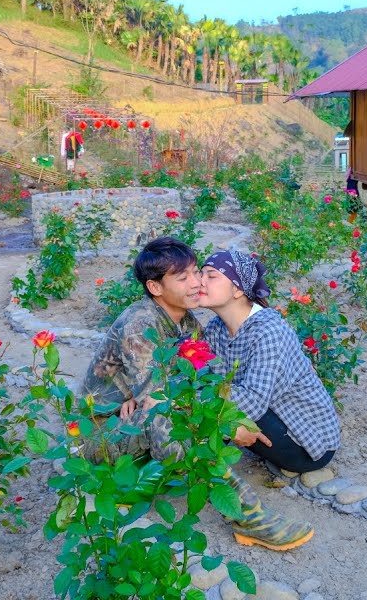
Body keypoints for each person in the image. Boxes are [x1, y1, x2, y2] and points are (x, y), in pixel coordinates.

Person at [80, 236, 315, 551]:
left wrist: (230, 417)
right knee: (161, 415)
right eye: (183, 277)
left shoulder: (188, 324)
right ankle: (249, 516)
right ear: (155, 288)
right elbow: (160, 399)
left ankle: (214, 493)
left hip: (130, 420)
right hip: (97, 432)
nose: (196, 283)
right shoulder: (141, 322)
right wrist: (230, 425)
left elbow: (204, 382)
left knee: (184, 410)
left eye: (196, 272)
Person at [199, 248, 340, 474]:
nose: (200, 281)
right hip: (271, 417)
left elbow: (253, 402)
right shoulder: (217, 328)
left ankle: (207, 466)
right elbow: (210, 380)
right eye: (200, 273)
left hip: (307, 441)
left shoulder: (269, 330)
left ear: (237, 290)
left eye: (211, 275)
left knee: (213, 408)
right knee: (212, 406)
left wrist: (189, 401)